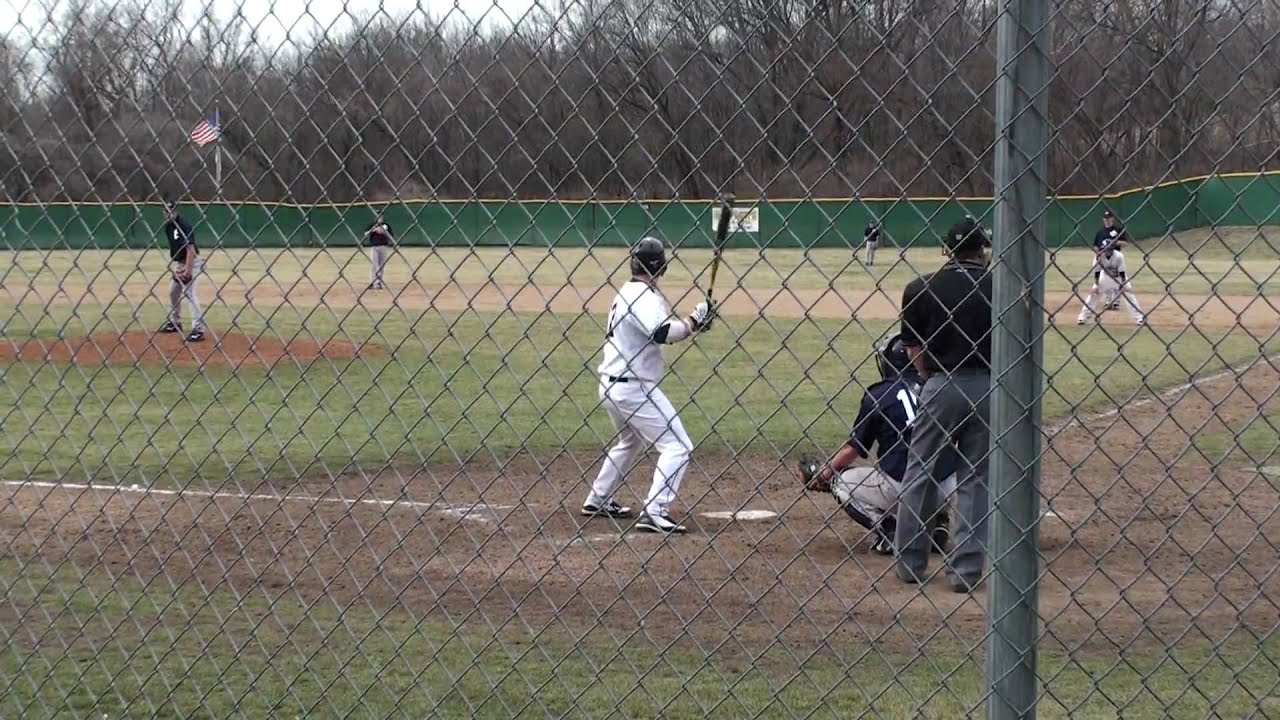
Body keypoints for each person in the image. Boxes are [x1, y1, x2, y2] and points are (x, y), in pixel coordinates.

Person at [581, 236, 715, 534]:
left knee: (630, 441)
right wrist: (694, 321)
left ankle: (598, 498)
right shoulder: (643, 296)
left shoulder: (627, 291)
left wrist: (692, 324)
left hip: (613, 386)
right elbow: (662, 332)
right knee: (678, 445)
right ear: (661, 267)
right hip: (633, 388)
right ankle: (655, 511)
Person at [896, 216, 992, 593]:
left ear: (948, 250)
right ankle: (965, 572)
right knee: (975, 478)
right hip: (988, 383)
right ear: (981, 250)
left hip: (939, 382)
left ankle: (909, 564)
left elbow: (913, 349)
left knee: (919, 471)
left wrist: (928, 377)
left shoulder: (920, 287)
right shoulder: (999, 285)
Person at [797, 334, 957, 555]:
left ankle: (889, 533)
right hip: (947, 487)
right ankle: (938, 524)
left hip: (902, 489)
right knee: (940, 457)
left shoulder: (880, 394)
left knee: (842, 482)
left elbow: (854, 448)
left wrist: (824, 475)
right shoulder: (940, 387)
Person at [158, 200, 206, 342]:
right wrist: (179, 268)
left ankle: (198, 329)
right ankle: (175, 322)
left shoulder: (184, 225)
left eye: (171, 211)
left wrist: (188, 271)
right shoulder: (169, 226)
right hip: (180, 263)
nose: (169, 214)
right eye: (166, 211)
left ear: (176, 211)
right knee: (173, 292)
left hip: (191, 262)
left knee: (190, 294)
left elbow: (190, 249)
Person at [1077, 240, 1145, 325]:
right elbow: (1097, 272)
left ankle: (1139, 318)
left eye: (1108, 249)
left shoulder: (1119, 256)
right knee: (1093, 295)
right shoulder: (1099, 256)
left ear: (1112, 249)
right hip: (1105, 277)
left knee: (1130, 296)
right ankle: (1083, 317)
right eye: (1104, 249)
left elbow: (1122, 272)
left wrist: (1123, 285)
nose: (1106, 251)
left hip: (1119, 278)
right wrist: (1096, 285)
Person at [1083, 210, 1128, 311]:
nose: (1107, 220)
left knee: (1117, 279)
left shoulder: (1118, 230)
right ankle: (1108, 301)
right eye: (1105, 218)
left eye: (1109, 218)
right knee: (1105, 279)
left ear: (1112, 218)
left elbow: (1125, 243)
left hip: (1116, 258)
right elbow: (1095, 245)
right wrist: (1098, 253)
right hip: (1103, 257)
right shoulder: (1100, 232)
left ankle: (1116, 302)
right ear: (1103, 219)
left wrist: (1114, 242)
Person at [365, 211, 394, 290]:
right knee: (375, 265)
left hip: (383, 247)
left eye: (380, 216)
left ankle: (379, 282)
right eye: (377, 216)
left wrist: (384, 232)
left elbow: (391, 236)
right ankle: (373, 282)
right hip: (374, 247)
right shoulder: (372, 225)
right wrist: (373, 230)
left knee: (381, 265)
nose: (379, 218)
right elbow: (366, 234)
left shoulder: (386, 225)